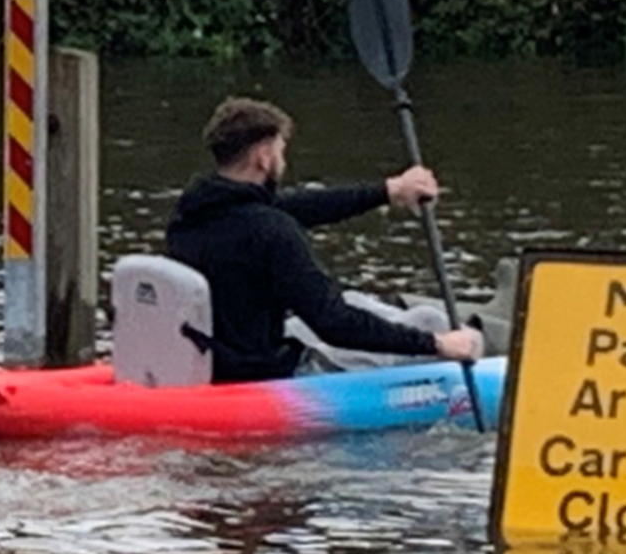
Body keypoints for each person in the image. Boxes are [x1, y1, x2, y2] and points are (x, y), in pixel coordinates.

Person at [165, 96, 484, 384]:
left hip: (222, 352)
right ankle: (476, 355)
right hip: (264, 374)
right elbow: (334, 324)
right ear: (263, 157)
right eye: (280, 151)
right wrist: (436, 344)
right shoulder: (272, 231)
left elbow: (300, 206)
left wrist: (389, 190)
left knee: (356, 300)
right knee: (431, 323)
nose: (283, 161)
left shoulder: (191, 215)